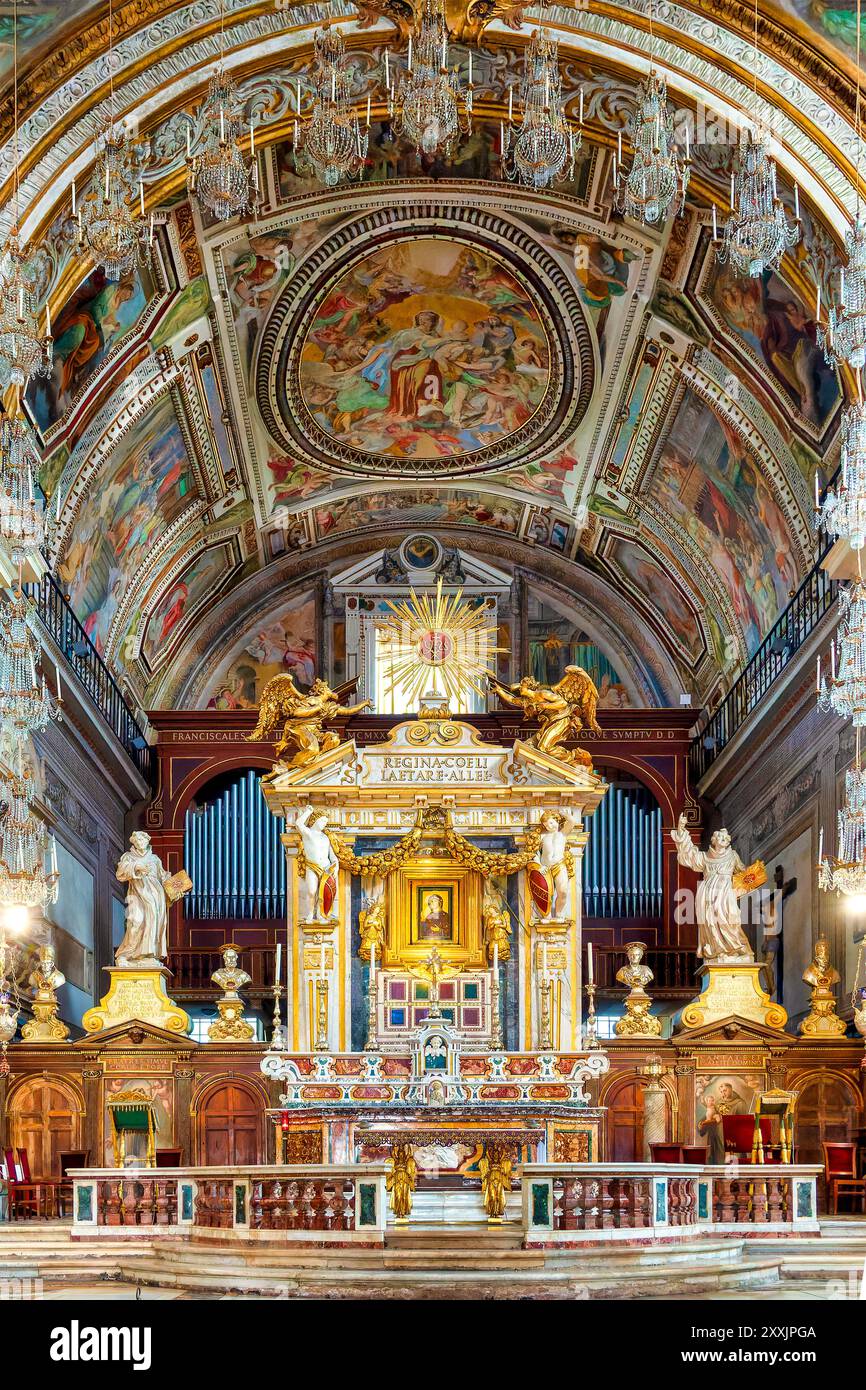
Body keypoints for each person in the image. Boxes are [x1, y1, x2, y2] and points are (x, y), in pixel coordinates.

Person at [115, 831, 174, 967]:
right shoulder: (129, 857)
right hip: (138, 894)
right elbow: (120, 873)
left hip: (155, 895)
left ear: (147, 841)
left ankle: (147, 954)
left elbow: (163, 876)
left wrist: (174, 887)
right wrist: (135, 866)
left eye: (142, 840)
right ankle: (125, 955)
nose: (140, 843)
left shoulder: (155, 859)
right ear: (133, 843)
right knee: (135, 922)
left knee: (152, 922)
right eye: (137, 841)